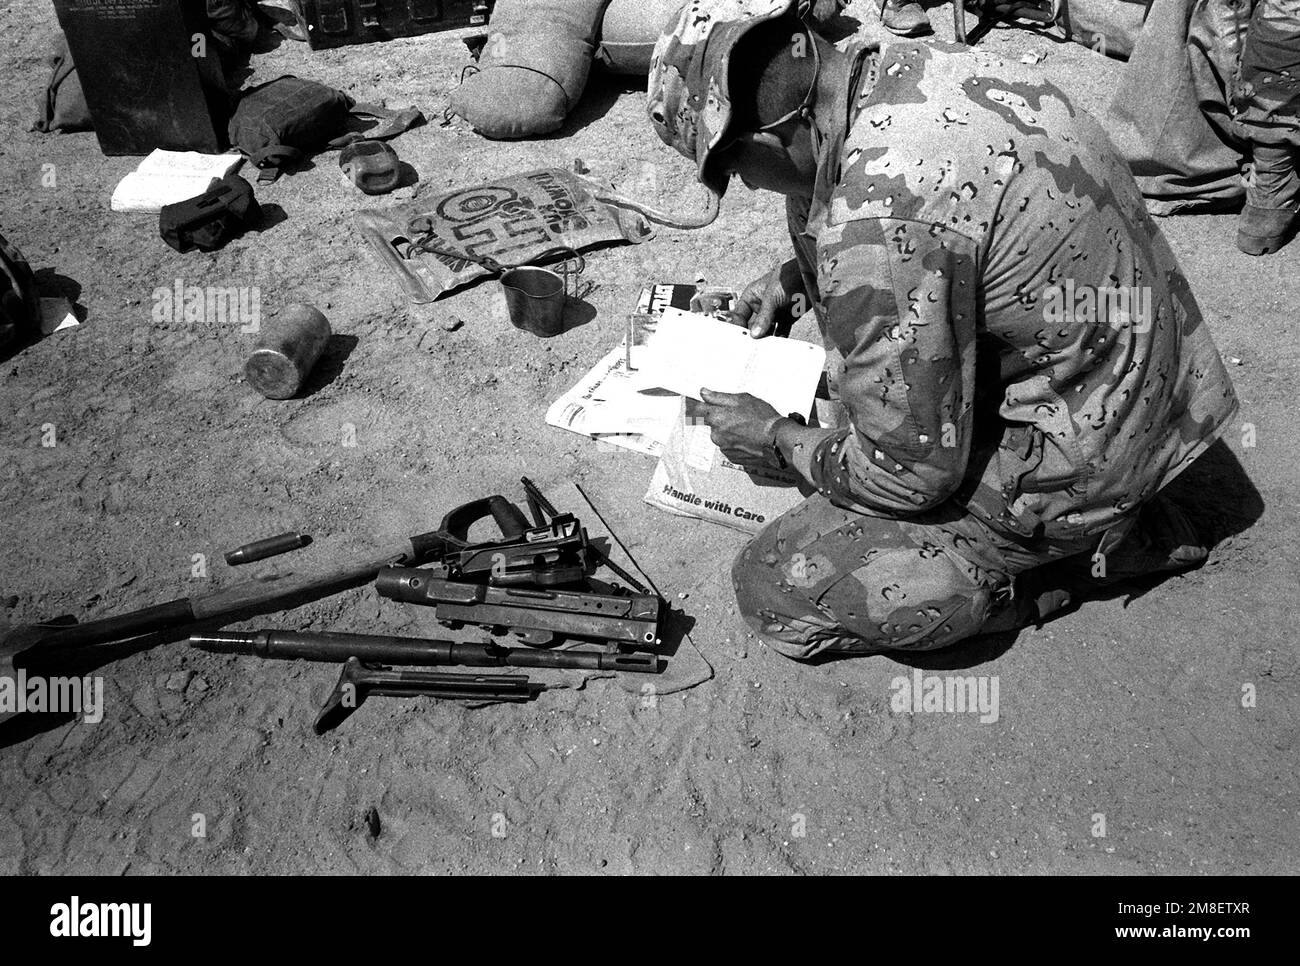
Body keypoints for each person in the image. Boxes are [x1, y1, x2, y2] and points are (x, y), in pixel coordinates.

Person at [646, 0, 1240, 660]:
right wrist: (794, 277)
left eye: (732, 174)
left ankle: (1073, 559)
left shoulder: (881, 227)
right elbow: (955, 232)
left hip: (1087, 458)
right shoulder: (927, 71)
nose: (746, 188)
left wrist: (780, 438)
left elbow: (909, 476)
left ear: (759, 141)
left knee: (776, 585)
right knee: (814, 226)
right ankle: (1113, 514)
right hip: (1156, 391)